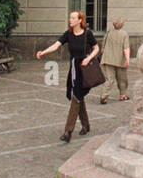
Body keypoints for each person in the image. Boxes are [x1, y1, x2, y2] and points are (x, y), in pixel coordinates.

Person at [35, 11, 100, 143]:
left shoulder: (88, 34)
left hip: (85, 69)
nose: (70, 19)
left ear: (79, 20)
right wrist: (43, 52)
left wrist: (89, 59)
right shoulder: (68, 34)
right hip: (74, 69)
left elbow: (96, 48)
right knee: (78, 97)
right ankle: (86, 125)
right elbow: (56, 45)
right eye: (70, 17)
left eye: (73, 18)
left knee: (76, 97)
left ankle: (68, 131)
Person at [98, 18, 132, 104]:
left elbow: (103, 47)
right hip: (120, 61)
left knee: (109, 79)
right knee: (122, 79)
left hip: (108, 59)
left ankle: (104, 95)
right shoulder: (124, 34)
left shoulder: (109, 32)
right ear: (122, 25)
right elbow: (126, 48)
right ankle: (122, 95)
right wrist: (127, 59)